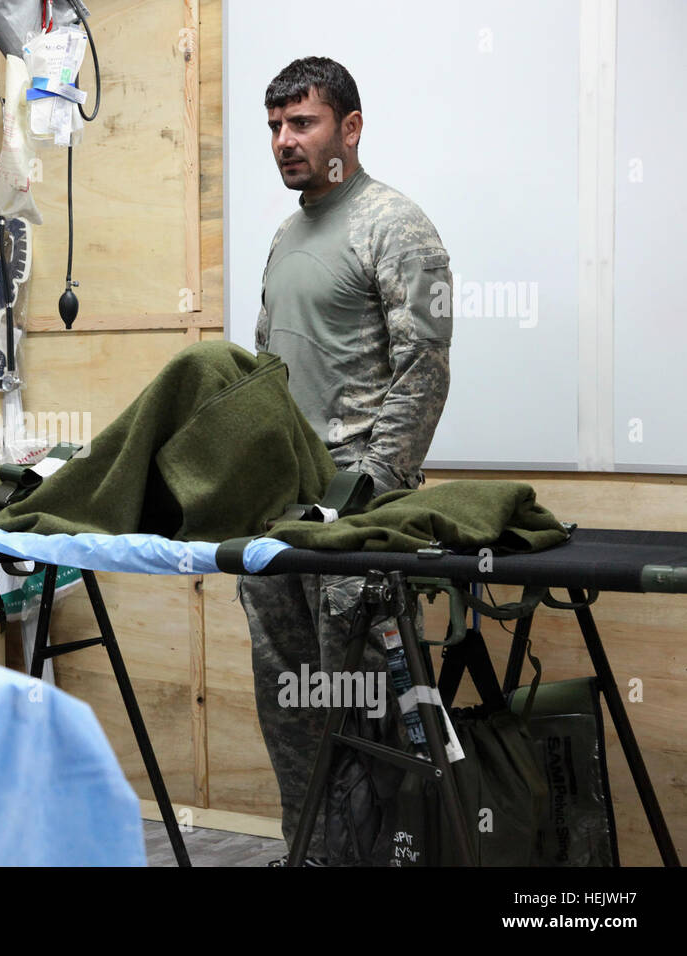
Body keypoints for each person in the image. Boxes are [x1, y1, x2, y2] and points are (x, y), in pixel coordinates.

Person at [237, 57, 453, 865]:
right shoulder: (286, 236)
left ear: (349, 128)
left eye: (303, 123)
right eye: (275, 126)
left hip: (354, 525)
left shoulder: (400, 226)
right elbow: (266, 372)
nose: (285, 141)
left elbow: (426, 368)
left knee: (366, 720)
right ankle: (312, 858)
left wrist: (364, 501)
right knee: (293, 717)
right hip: (282, 521)